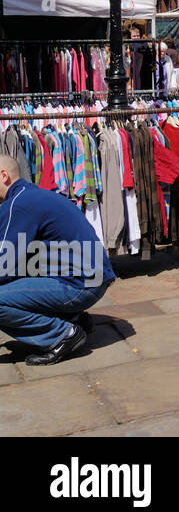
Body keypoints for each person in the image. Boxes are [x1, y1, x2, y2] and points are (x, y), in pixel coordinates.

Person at [0, 154, 115, 366]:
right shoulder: (33, 195)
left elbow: (4, 263)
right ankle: (73, 318)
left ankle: (63, 334)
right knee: (24, 268)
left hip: (80, 284)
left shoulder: (18, 204)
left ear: (4, 176)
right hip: (92, 278)